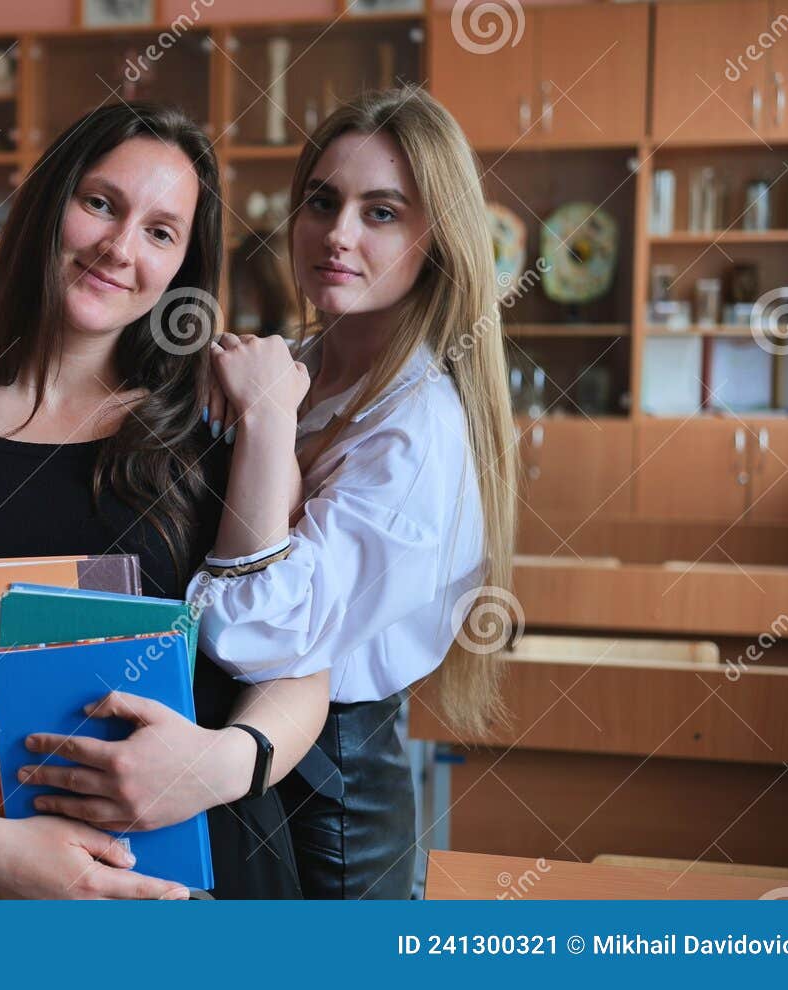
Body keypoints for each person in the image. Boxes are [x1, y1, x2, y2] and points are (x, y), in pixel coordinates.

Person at [0, 102, 329, 901]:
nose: (119, 248)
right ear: (49, 201)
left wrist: (221, 762)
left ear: (181, 272)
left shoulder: (221, 427)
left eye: (161, 232)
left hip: (208, 886)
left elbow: (302, 666)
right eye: (100, 203)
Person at [194, 86, 519, 898]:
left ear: (435, 237)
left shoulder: (416, 428)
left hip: (329, 794)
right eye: (322, 201)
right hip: (234, 757)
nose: (337, 235)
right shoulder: (297, 364)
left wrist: (266, 424)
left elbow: (257, 634)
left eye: (382, 212)